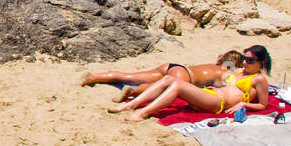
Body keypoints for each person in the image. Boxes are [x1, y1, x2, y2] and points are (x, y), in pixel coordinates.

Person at [113, 45, 271, 122]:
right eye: (244, 58)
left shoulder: (259, 79)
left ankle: (142, 113)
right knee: (169, 79)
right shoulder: (239, 72)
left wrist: (244, 105)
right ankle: (130, 105)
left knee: (177, 85)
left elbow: (263, 105)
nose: (244, 62)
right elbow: (227, 86)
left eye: (249, 60)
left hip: (219, 103)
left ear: (261, 62)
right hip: (212, 95)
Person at [82, 51, 244, 100]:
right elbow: (231, 87)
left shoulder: (211, 65)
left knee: (130, 75)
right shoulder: (226, 72)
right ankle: (132, 91)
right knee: (156, 89)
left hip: (173, 67)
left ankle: (95, 77)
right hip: (185, 76)